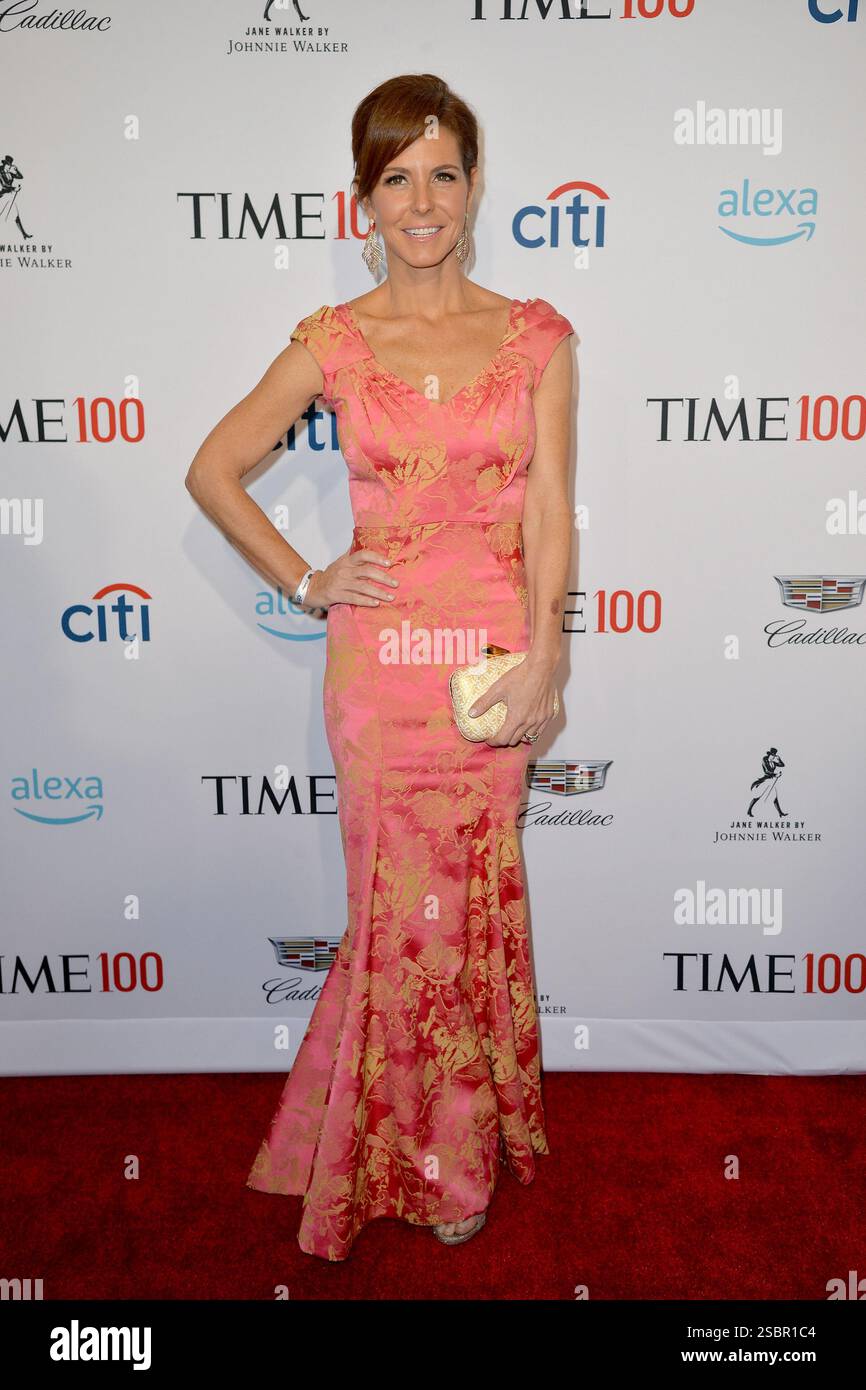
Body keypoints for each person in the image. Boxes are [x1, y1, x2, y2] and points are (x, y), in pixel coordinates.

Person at [185, 72, 576, 1262]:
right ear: (361, 200)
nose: (421, 200)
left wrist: (549, 656)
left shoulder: (536, 338)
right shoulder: (337, 343)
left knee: (463, 917)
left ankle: (440, 1135)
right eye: (395, 177)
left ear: (472, 188)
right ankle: (428, 1160)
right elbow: (213, 469)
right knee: (399, 925)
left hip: (489, 671)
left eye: (442, 173)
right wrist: (307, 580)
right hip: (381, 678)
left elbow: (550, 513)